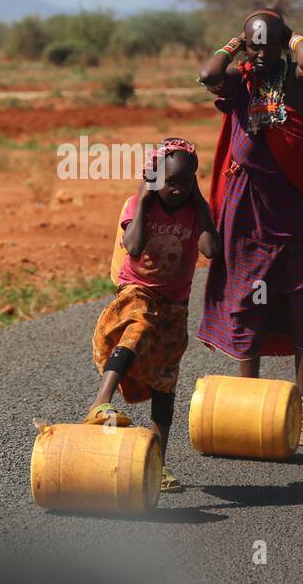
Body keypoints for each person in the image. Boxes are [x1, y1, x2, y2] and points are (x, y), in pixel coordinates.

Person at [195, 8, 303, 447]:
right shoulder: (240, 80)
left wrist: (290, 35)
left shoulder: (295, 81)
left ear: (280, 45)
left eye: (267, 45)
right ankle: (252, 406)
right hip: (246, 205)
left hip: (293, 206)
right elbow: (207, 74)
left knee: (302, 298)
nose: (259, 53)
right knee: (247, 296)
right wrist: (238, 42)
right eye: (253, 44)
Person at [87, 138, 217, 493]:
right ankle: (101, 403)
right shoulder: (137, 203)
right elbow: (133, 246)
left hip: (175, 301)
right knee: (138, 326)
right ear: (154, 177)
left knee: (166, 379)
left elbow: (210, 249)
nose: (178, 189)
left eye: (187, 181)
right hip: (138, 289)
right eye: (170, 181)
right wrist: (144, 199)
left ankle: (156, 463)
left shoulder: (194, 211)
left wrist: (201, 204)